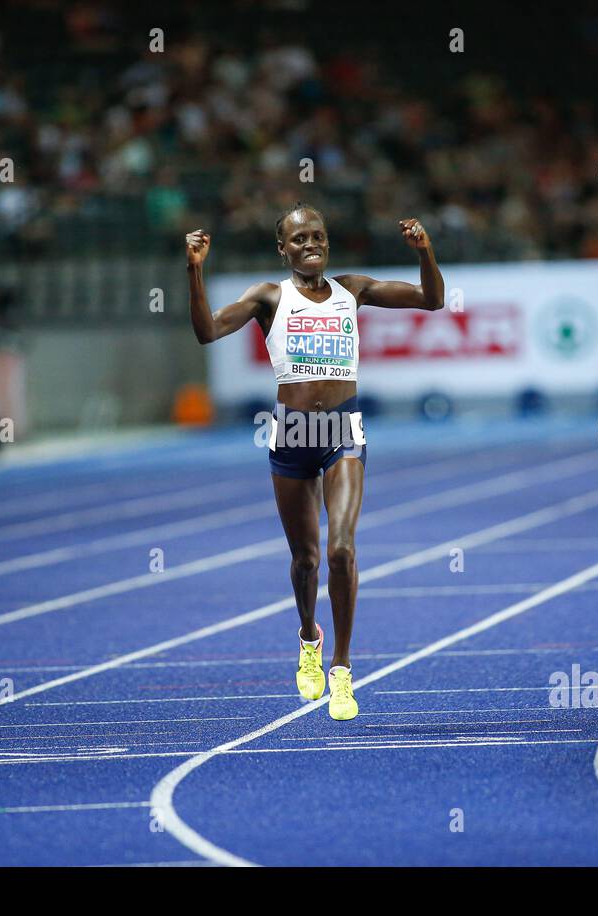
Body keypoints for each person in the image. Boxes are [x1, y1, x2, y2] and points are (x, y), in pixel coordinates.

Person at [186, 203, 444, 720]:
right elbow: (207, 332)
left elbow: (432, 301)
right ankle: (309, 637)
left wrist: (425, 252)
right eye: (299, 239)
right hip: (293, 433)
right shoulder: (268, 297)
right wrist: (195, 271)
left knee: (341, 551)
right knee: (305, 560)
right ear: (283, 249)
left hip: (343, 430)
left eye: (318, 237)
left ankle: (343, 671)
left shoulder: (354, 289)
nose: (310, 245)